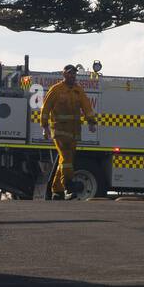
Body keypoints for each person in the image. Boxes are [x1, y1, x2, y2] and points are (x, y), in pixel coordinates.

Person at [40, 65, 97, 200]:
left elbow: (87, 107)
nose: (72, 76)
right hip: (59, 131)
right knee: (66, 159)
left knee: (65, 161)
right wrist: (45, 127)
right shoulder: (56, 90)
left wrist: (91, 122)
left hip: (74, 132)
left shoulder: (78, 91)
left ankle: (57, 190)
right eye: (70, 74)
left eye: (74, 74)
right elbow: (45, 109)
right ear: (64, 74)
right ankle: (68, 187)